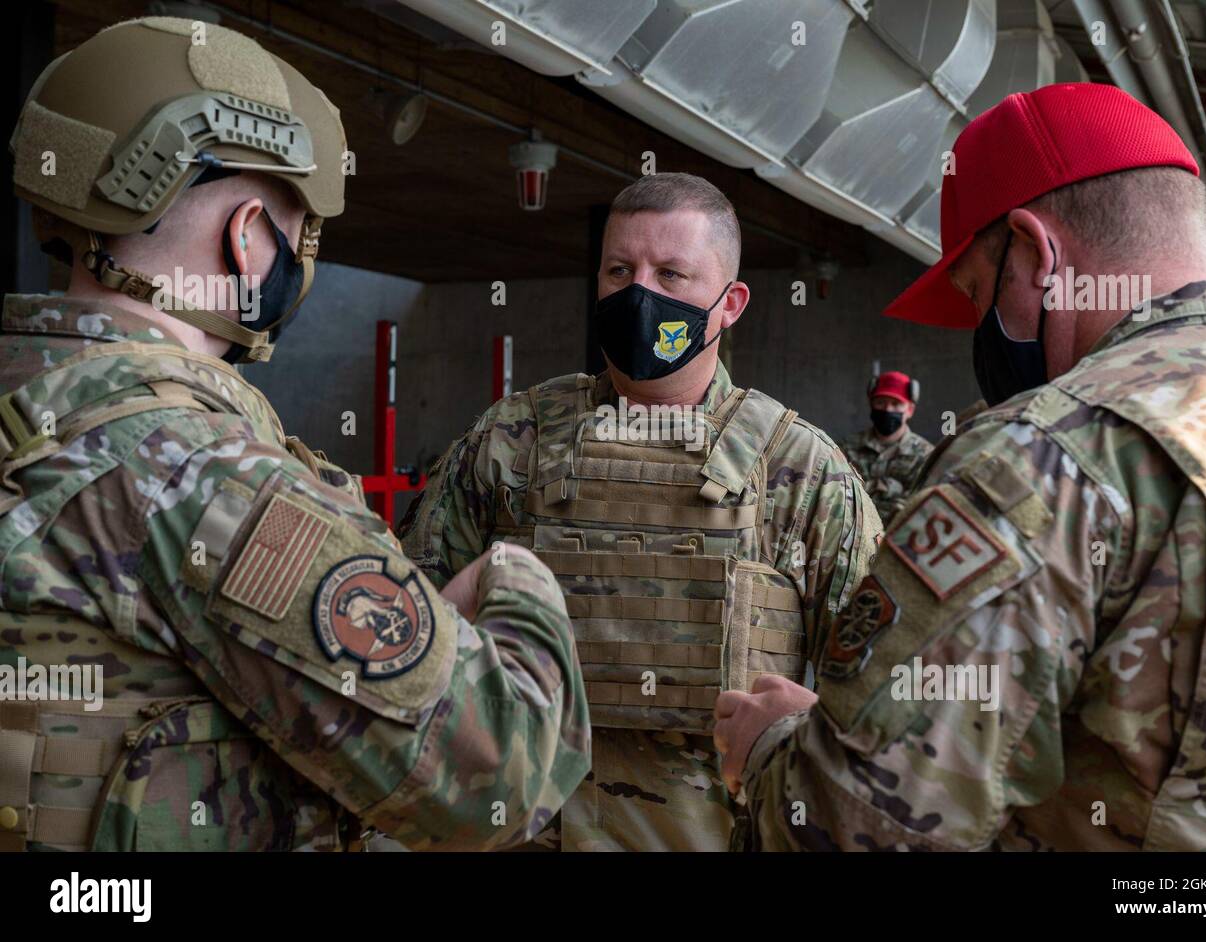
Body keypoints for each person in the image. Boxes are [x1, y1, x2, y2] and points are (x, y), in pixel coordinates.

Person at [0, 17, 587, 852]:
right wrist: (518, 580)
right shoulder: (193, 471)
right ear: (247, 239)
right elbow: (502, 772)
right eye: (298, 234)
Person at [715, 82, 1206, 851]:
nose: (981, 329)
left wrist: (770, 750)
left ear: (1035, 249)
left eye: (977, 291)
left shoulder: (1042, 456)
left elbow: (856, 827)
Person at [399, 172, 881, 851]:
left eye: (672, 275)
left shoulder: (799, 471)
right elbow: (406, 636)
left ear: (730, 302)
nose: (639, 296)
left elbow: (882, 706)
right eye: (620, 270)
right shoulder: (513, 442)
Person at [842, 371, 932, 525]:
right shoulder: (846, 448)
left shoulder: (926, 455)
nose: (888, 410)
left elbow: (922, 507)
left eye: (896, 404)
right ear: (871, 404)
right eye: (881, 402)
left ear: (910, 410)